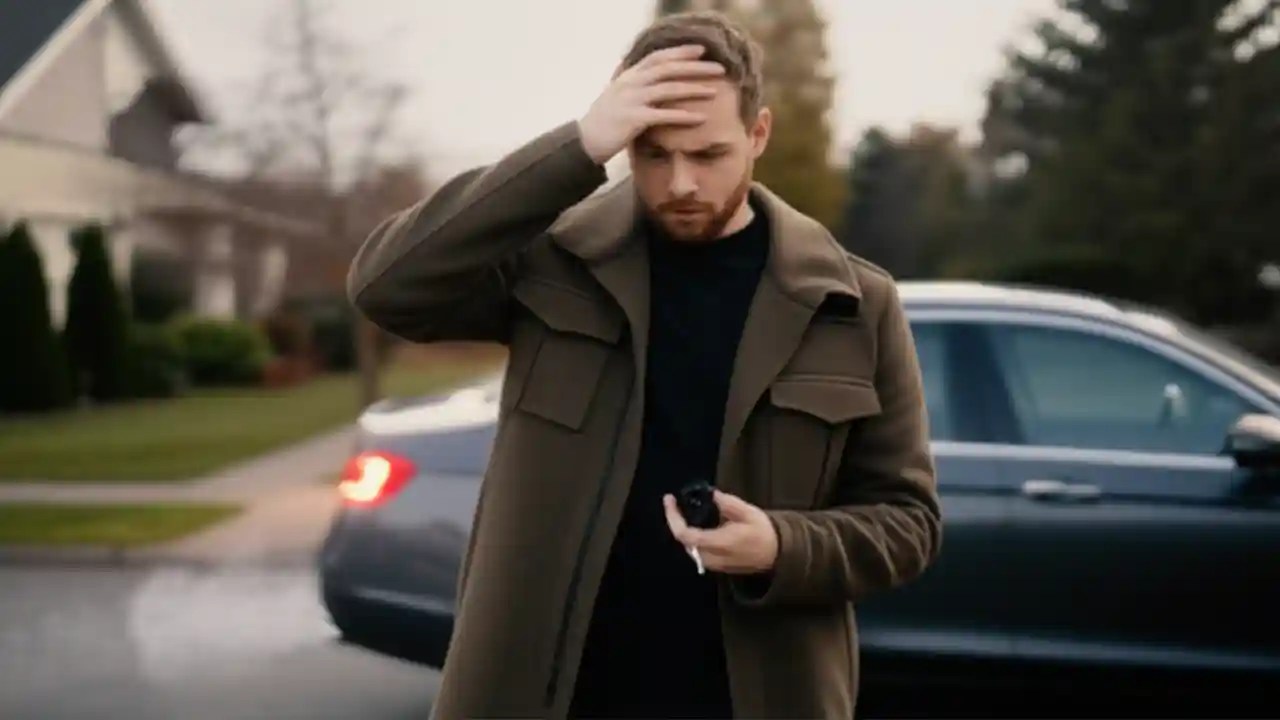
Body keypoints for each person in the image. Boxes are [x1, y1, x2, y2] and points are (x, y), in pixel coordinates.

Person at [347, 10, 941, 719]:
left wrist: (782, 546)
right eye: (652, 154)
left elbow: (908, 523)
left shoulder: (853, 301)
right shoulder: (556, 262)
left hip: (753, 694)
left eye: (708, 153)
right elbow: (388, 287)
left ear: (759, 135)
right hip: (559, 693)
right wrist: (578, 147)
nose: (680, 182)